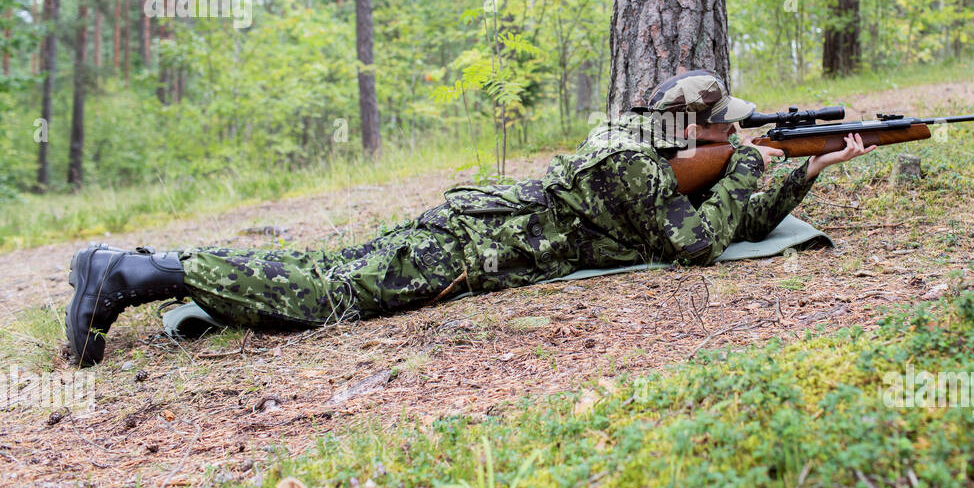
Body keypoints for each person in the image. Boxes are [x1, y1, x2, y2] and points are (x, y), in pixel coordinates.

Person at [64, 70, 874, 366]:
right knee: (331, 297)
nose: (736, 139)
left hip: (472, 231)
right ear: (692, 130)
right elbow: (696, 246)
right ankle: (137, 273)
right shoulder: (630, 163)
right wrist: (748, 170)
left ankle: (141, 265)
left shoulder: (640, 141)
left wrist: (803, 168)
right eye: (727, 130)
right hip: (471, 245)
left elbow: (715, 215)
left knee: (327, 274)